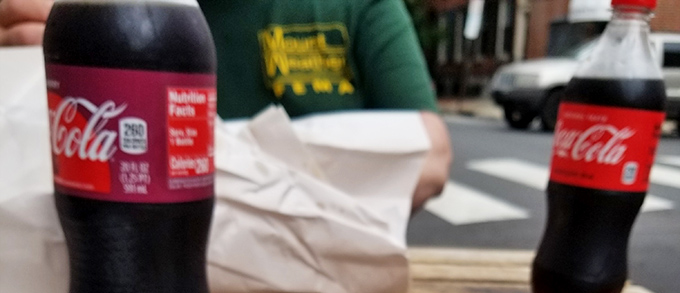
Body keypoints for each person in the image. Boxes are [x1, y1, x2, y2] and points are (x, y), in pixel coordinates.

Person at [0, 0, 451, 208]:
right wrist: (30, 68)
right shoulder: (105, 10)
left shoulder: (358, 7)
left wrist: (221, 170)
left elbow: (431, 158)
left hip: (345, 292)